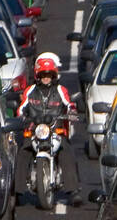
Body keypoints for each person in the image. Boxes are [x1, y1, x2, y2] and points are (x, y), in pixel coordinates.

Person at [18, 54, 80, 203]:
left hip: (55, 129)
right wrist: (22, 118)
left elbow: (69, 104)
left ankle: (73, 191)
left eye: (49, 75)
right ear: (37, 75)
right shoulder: (29, 90)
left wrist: (71, 112)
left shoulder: (60, 90)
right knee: (22, 153)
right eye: (43, 75)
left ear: (54, 76)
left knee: (67, 152)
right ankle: (17, 192)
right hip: (35, 131)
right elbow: (21, 109)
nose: (46, 78)